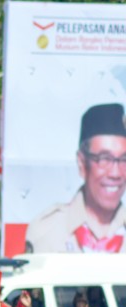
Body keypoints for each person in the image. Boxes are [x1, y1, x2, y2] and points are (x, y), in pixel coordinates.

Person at [25, 103, 126, 253]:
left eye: (124, 159)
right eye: (104, 159)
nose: (115, 173)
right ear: (82, 163)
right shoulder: (47, 232)